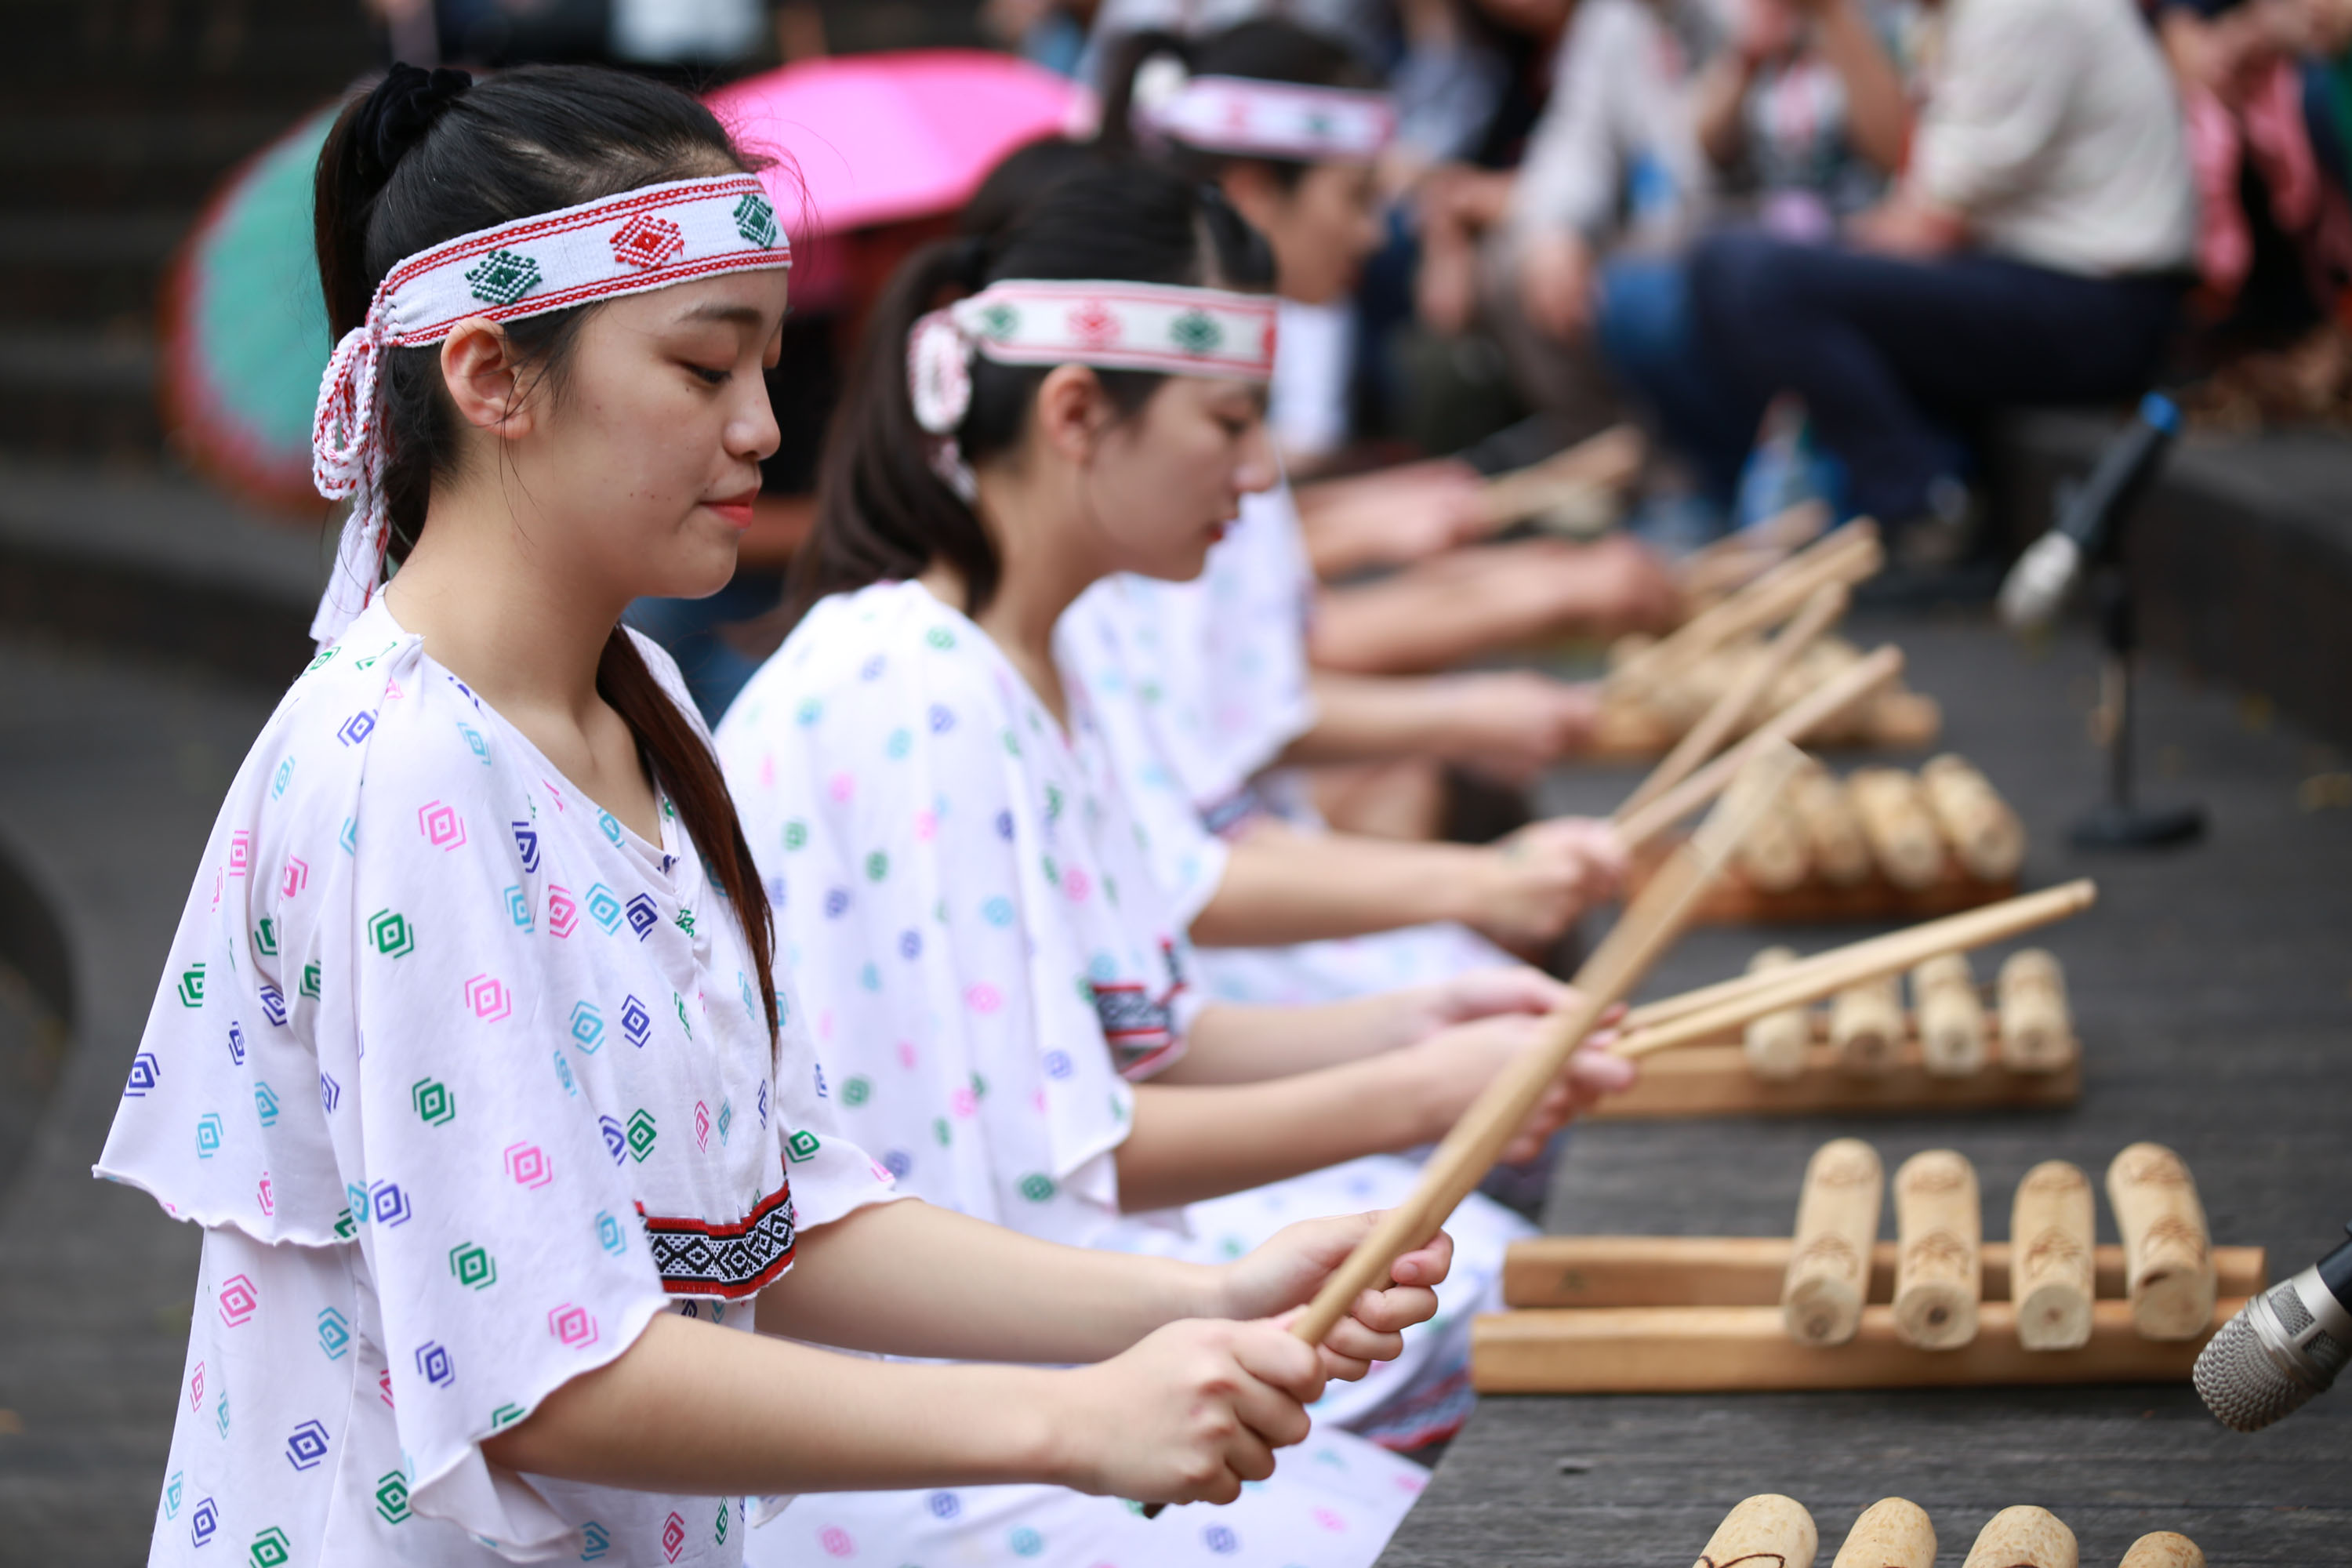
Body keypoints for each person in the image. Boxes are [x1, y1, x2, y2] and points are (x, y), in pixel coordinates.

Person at [94, 64, 1458, 1567]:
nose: (762, 430)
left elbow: (782, 1205)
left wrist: (1203, 1300)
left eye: (768, 369)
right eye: (703, 369)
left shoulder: (647, 709)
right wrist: (1067, 1422)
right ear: (492, 378)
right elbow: (546, 1375)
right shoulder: (407, 770)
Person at [714, 161, 1635, 1492]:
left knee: (1495, 1297)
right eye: (1231, 422)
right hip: (938, 1421)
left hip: (1030, 1338)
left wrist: (1422, 1033)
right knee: (1488, 1341)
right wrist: (1422, 1083)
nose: (1263, 475)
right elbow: (1050, 1161)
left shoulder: (1014, 656)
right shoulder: (912, 688)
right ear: (1080, 411)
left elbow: (1137, 1030)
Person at [1102, 20, 1684, 679]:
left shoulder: (1192, 340)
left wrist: (1383, 522)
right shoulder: (1165, 372)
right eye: (1356, 200)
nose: (1375, 236)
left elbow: (1258, 577)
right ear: (1250, 192)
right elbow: (1259, 661)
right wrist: (1545, 593)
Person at [1686, 0, 2199, 545]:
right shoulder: (1959, 17)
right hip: (2044, 278)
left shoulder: (2018, 11)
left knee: (1755, 275)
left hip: (2103, 306)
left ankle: (1926, 506)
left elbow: (1930, 225)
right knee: (1730, 266)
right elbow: (1917, 185)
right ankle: (1904, 495)